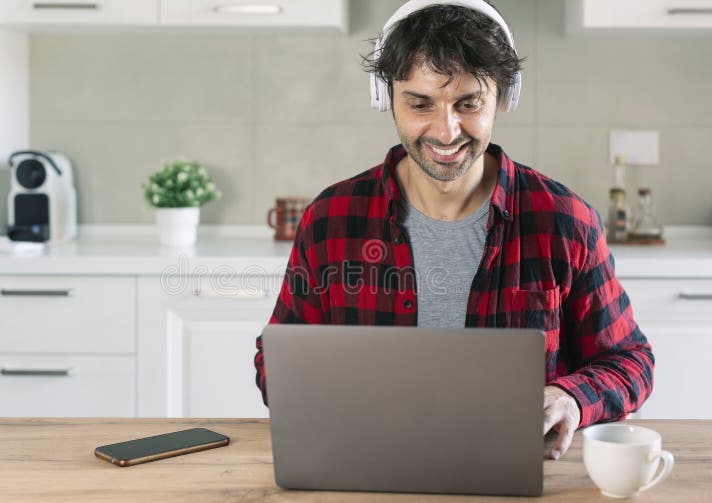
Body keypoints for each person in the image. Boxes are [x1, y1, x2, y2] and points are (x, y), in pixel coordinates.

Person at [253, 0, 654, 460]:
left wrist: (571, 398)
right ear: (386, 98)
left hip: (514, 484)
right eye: (420, 104)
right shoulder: (329, 219)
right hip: (365, 475)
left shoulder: (566, 221)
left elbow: (631, 362)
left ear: (503, 97)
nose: (446, 132)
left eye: (468, 104)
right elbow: (275, 361)